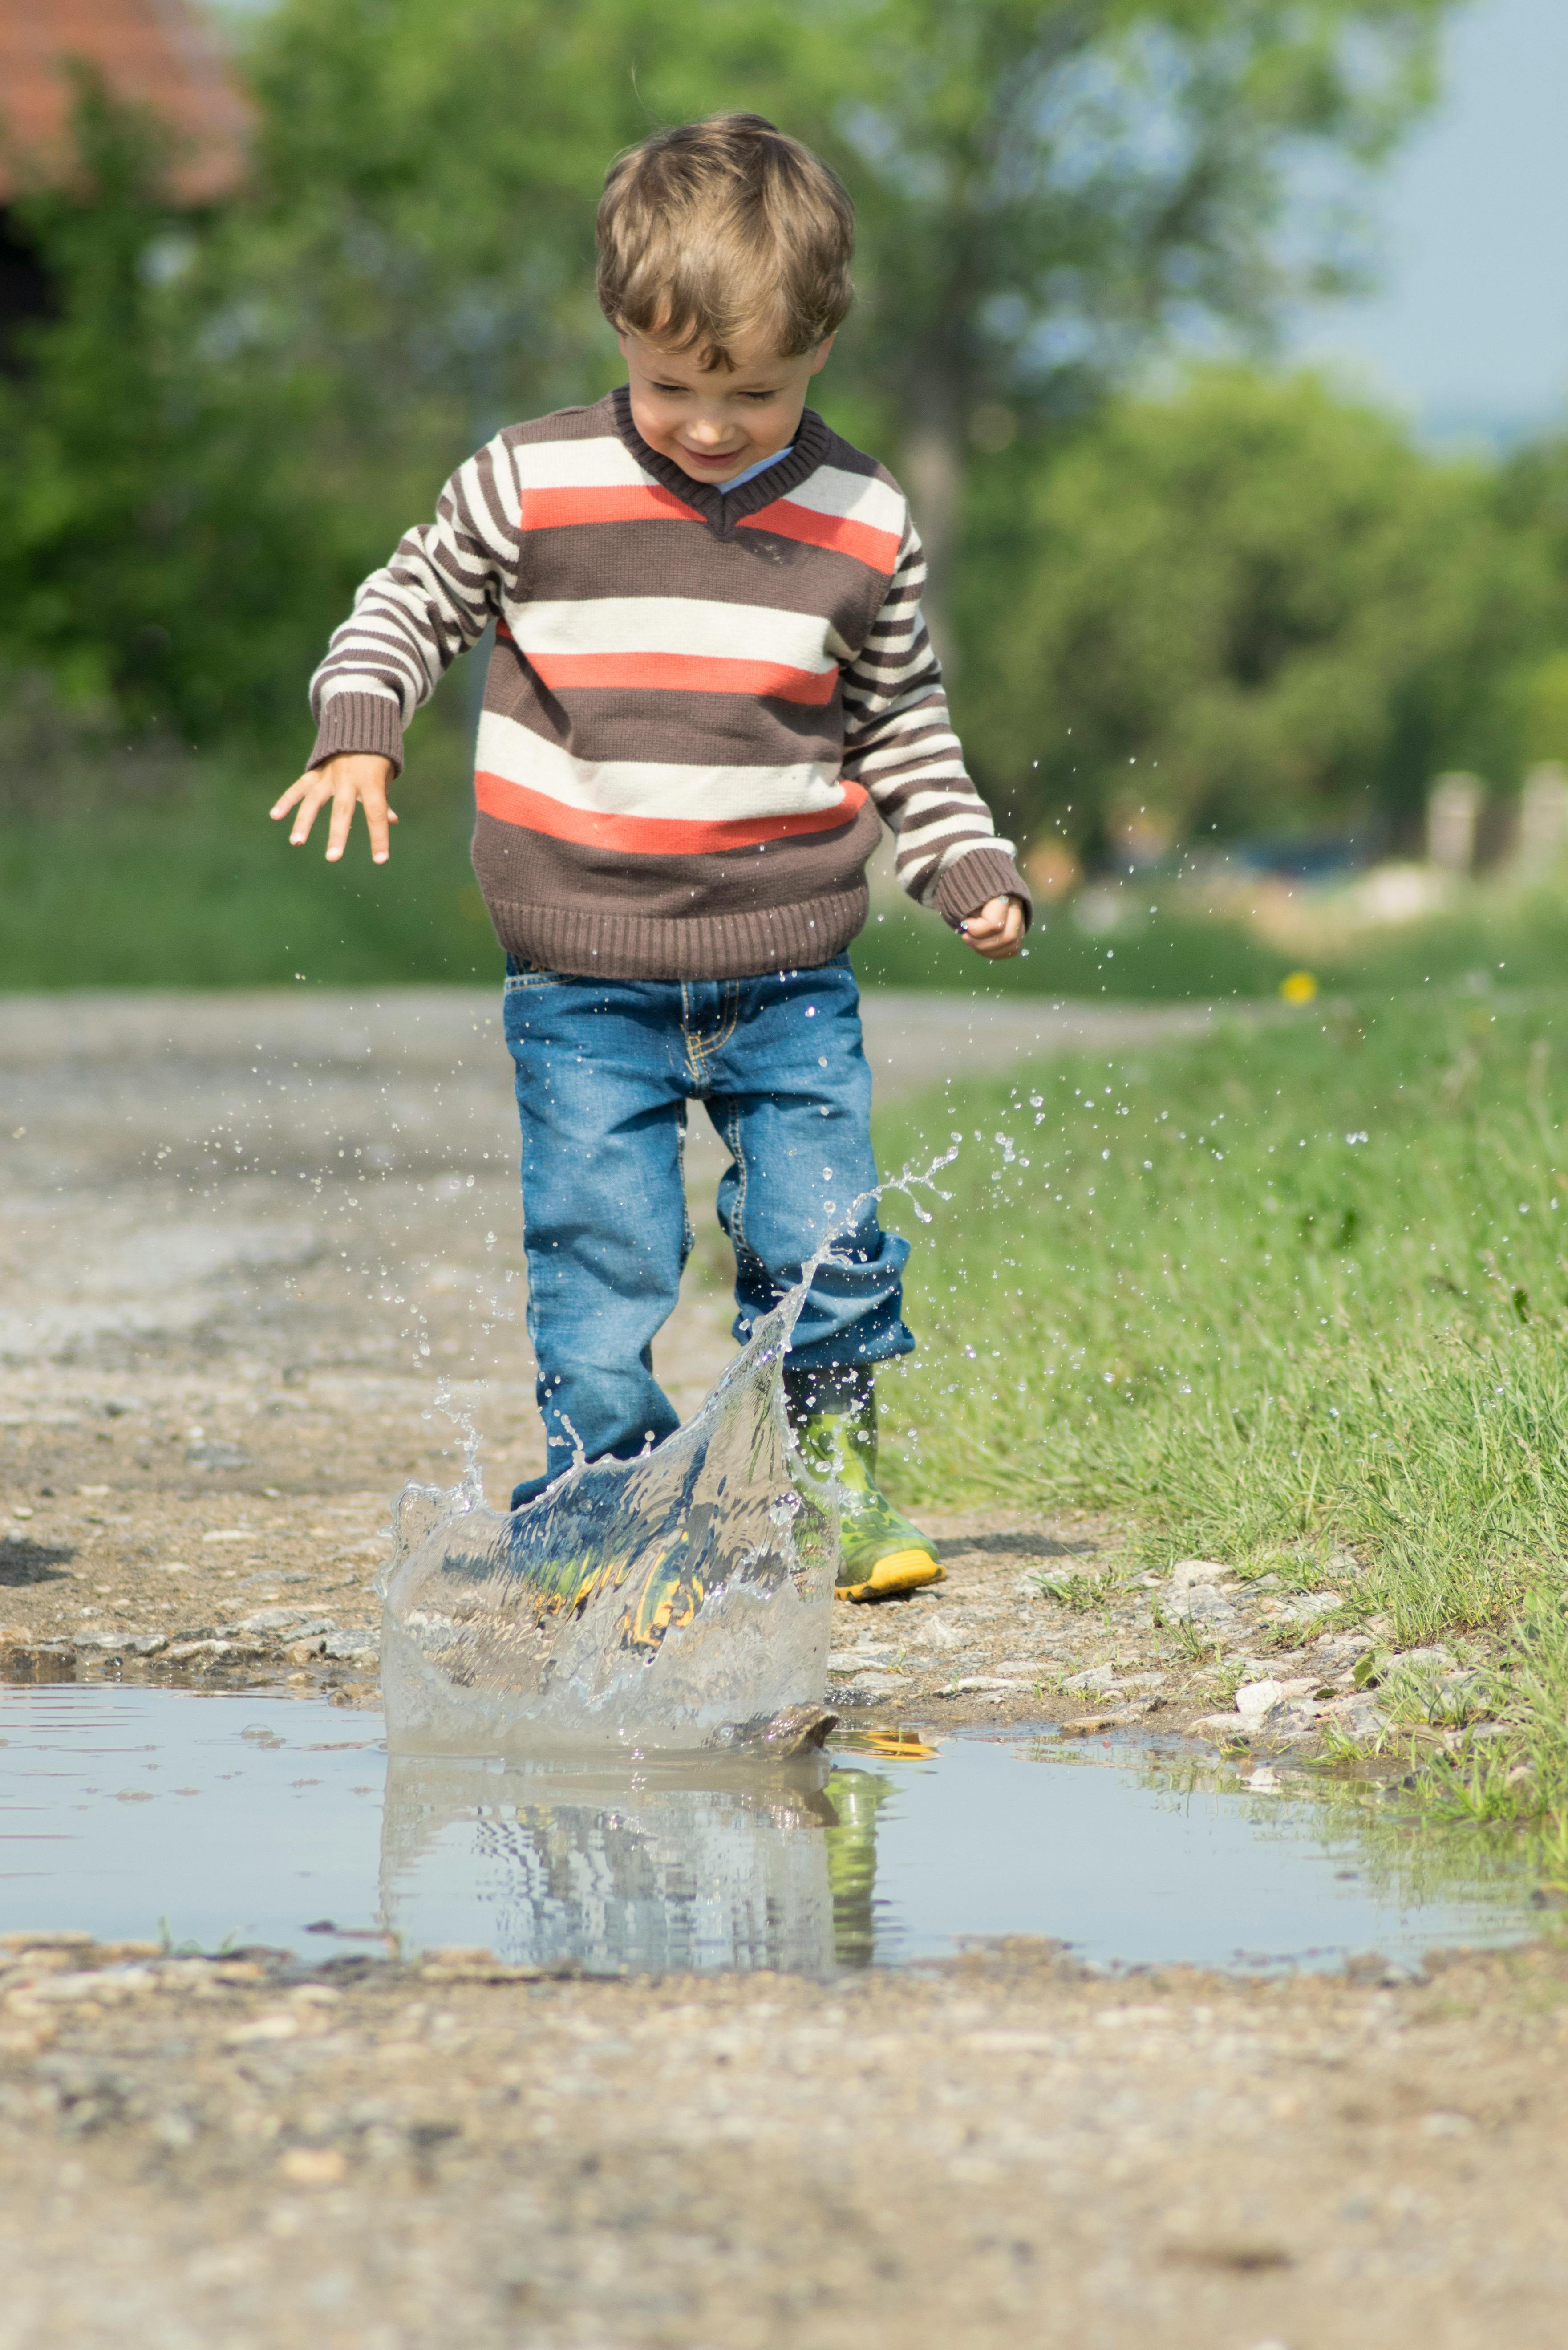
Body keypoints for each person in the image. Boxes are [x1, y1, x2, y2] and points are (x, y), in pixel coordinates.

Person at [271, 112, 1029, 1603]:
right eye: (671, 382)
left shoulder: (864, 518)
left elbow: (906, 726)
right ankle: (597, 1493)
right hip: (580, 965)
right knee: (601, 1249)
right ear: (620, 328)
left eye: (754, 389)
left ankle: (840, 1477)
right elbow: (407, 605)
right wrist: (359, 724)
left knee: (824, 1239)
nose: (707, 422)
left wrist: (963, 864)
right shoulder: (528, 480)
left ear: (821, 346)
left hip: (789, 964)